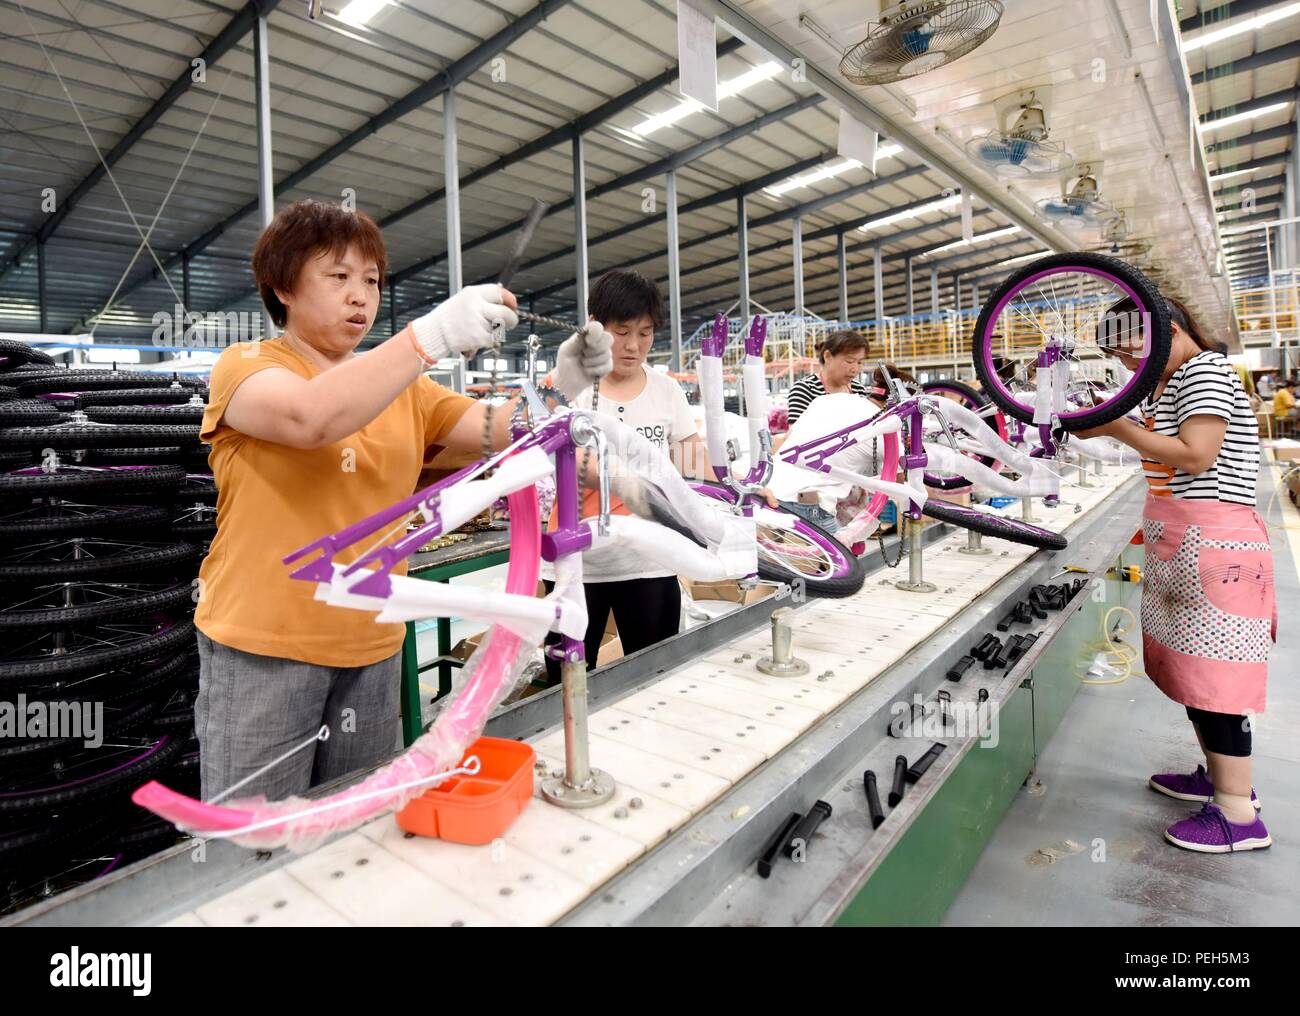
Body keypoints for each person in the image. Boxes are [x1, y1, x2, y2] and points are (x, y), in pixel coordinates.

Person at [194, 199, 612, 802]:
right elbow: (311, 418)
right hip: (265, 648)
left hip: (373, 644)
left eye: (370, 281)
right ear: (282, 287)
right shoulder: (247, 367)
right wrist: (431, 336)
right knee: (254, 851)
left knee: (357, 827)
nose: (360, 296)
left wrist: (562, 383)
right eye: (338, 277)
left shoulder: (408, 395)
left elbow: (506, 431)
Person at [1080, 294, 1273, 853]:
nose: (1126, 366)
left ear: (1163, 330)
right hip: (1183, 539)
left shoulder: (1206, 370)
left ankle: (1239, 815)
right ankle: (1217, 777)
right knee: (1194, 674)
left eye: (1127, 350)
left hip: (1215, 546)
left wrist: (1118, 429)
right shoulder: (1173, 382)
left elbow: (1196, 456)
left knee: (1218, 679)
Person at [541, 269, 704, 683]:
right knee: (566, 682)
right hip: (576, 563)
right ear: (595, 326)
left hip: (650, 561)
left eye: (645, 333)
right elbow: (556, 454)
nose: (633, 346)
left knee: (653, 678)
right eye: (621, 331)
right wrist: (621, 480)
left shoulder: (666, 391)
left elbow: (690, 460)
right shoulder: (565, 386)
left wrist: (733, 491)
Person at [764, 364, 913, 534]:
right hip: (808, 504)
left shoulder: (827, 400)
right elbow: (896, 487)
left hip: (769, 492)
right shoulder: (886, 429)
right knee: (840, 559)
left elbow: (784, 440)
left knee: (779, 558)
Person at [784, 330, 871, 427]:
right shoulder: (805, 389)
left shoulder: (858, 389)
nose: (855, 369)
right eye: (849, 361)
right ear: (827, 356)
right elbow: (796, 436)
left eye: (860, 362)